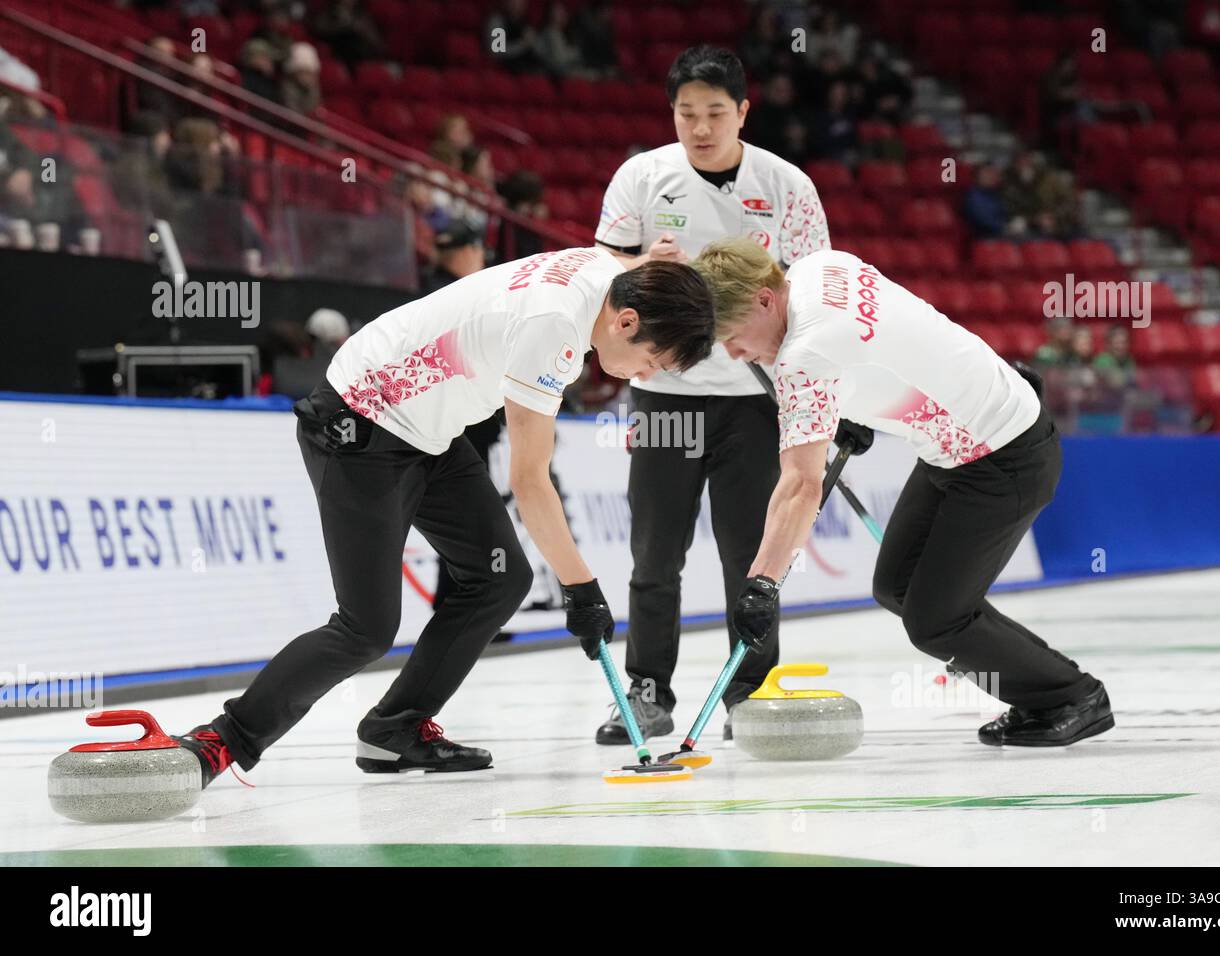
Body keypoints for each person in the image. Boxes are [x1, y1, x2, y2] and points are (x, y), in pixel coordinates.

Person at [171, 248, 716, 786]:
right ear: (626, 322)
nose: (644, 374)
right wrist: (582, 589)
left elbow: (630, 261)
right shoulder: (555, 331)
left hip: (426, 430)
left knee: (500, 577)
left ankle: (394, 728)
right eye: (653, 361)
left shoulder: (609, 273)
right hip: (360, 418)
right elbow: (530, 482)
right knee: (366, 628)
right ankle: (223, 738)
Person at [692, 237, 1112, 747]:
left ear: (764, 299)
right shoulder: (820, 267)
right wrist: (849, 407)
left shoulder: (804, 357)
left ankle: (1072, 696)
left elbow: (801, 484)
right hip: (957, 446)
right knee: (898, 587)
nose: (735, 354)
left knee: (937, 621)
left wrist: (760, 584)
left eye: (733, 336)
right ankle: (1041, 690)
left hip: (1004, 456)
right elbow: (888, 340)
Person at [592, 45, 830, 745]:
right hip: (665, 394)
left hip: (753, 399)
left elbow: (816, 286)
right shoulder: (641, 177)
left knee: (751, 555)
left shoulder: (787, 186)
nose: (700, 128)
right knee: (655, 553)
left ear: (744, 112)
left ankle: (749, 693)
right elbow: (598, 269)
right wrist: (641, 263)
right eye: (686, 113)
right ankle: (646, 692)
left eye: (715, 113)